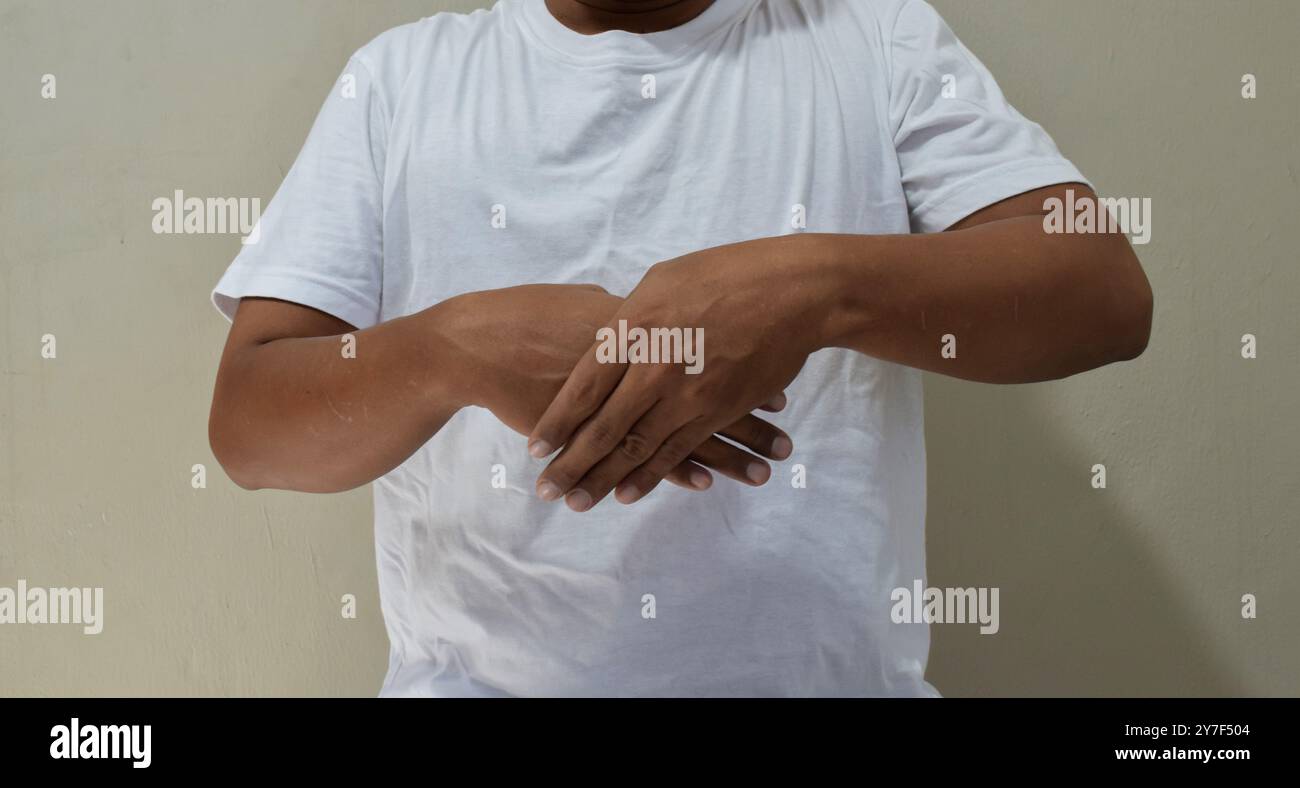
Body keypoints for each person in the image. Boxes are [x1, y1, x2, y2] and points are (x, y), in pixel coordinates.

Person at [208, 0, 1152, 696]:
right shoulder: (401, 82)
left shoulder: (874, 38)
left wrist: (813, 289)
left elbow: (1101, 289)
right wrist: (451, 351)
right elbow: (251, 426)